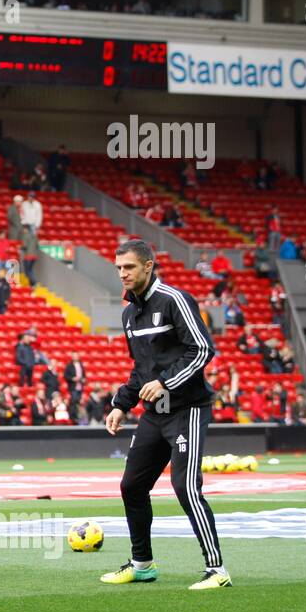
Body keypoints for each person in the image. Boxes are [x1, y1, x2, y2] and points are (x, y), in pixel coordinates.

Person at [103, 239, 227, 590]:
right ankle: (142, 564)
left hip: (187, 409)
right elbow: (141, 370)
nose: (123, 273)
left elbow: (203, 349)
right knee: (132, 486)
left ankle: (216, 569)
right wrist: (120, 404)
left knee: (185, 487)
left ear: (148, 266)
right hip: (153, 415)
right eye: (118, 268)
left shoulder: (175, 300)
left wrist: (166, 383)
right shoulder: (129, 315)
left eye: (128, 267)